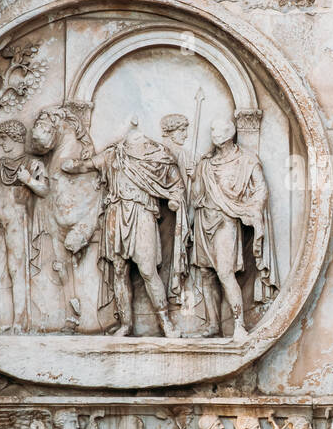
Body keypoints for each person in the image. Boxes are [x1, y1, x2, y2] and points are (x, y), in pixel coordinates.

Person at [63, 120, 187, 337]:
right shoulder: (114, 154)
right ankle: (126, 325)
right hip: (116, 213)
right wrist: (68, 164)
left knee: (148, 270)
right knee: (119, 271)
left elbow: (177, 183)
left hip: (142, 213)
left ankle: (165, 322)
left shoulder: (157, 156)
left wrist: (176, 197)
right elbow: (85, 165)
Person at [189, 117, 277, 339]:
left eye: (218, 131)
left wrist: (254, 209)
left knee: (225, 272)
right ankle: (212, 324)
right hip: (204, 218)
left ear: (229, 134)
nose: (214, 135)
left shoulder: (246, 161)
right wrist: (194, 176)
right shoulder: (206, 163)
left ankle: (239, 325)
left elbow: (261, 190)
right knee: (206, 273)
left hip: (227, 220)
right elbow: (196, 195)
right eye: (213, 131)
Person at [0, 119, 48, 331]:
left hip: (20, 222)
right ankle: (5, 318)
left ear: (16, 138)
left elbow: (44, 190)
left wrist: (28, 181)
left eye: (4, 139)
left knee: (17, 270)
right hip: (0, 224)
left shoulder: (33, 164)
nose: (1, 144)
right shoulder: (0, 166)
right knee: (2, 270)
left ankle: (19, 320)